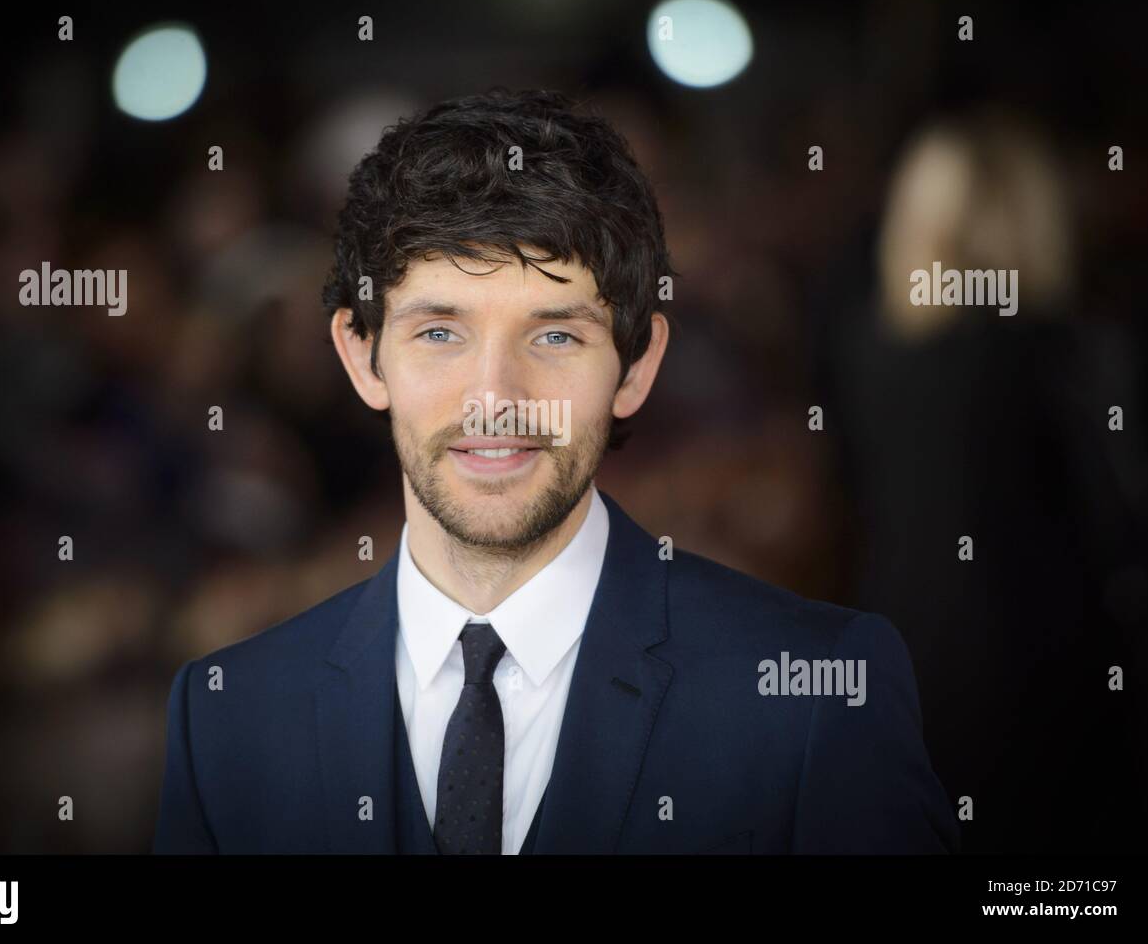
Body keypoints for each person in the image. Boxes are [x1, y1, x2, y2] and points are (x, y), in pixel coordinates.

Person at [153, 88, 958, 854]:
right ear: (362, 357)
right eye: (440, 333)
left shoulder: (815, 693)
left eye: (556, 336)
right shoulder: (226, 719)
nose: (496, 398)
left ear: (636, 369)